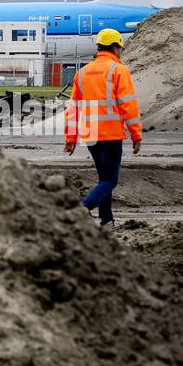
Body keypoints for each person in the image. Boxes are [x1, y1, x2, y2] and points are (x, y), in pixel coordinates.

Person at [63, 27, 142, 230]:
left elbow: (73, 108)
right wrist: (136, 134)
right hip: (111, 134)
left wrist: (70, 137)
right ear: (115, 48)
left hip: (91, 136)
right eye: (120, 49)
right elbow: (129, 106)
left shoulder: (82, 73)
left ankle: (107, 221)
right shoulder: (119, 70)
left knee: (103, 179)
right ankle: (83, 208)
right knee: (110, 180)